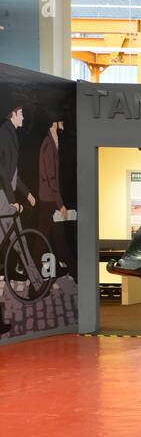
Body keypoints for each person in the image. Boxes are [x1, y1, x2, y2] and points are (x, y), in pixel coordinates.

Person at [0, 105, 35, 337]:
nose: (23, 116)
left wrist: (27, 192)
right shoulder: (5, 133)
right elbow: (3, 171)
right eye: (21, 113)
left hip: (6, 193)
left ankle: (34, 277)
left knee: (13, 237)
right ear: (12, 114)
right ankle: (34, 278)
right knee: (16, 236)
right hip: (1, 195)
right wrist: (13, 201)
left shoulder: (10, 133)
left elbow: (13, 173)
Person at [36, 117, 70, 274]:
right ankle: (62, 262)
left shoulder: (52, 141)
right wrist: (60, 203)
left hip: (48, 196)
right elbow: (51, 177)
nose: (63, 124)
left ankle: (64, 261)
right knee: (49, 232)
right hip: (49, 197)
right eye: (61, 121)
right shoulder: (49, 144)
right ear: (54, 123)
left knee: (55, 232)